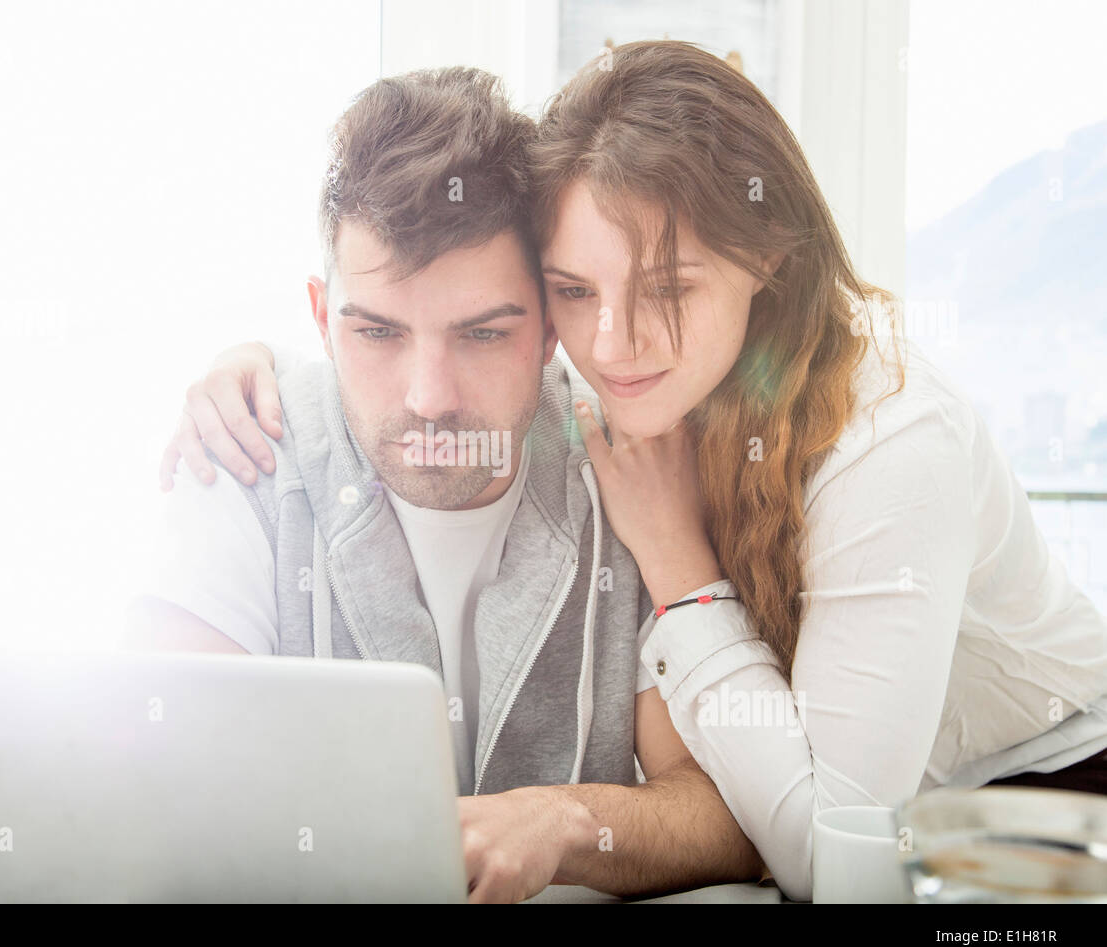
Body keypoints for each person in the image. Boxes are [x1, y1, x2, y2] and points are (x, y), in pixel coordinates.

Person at [161, 41, 1107, 902]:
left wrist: (676, 562)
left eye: (668, 287)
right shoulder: (646, 389)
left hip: (1040, 799)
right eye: (576, 291)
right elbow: (423, 317)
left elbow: (830, 852)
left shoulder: (889, 442)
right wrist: (271, 369)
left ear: (768, 259)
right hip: (868, 820)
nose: (612, 342)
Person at [125, 65, 765, 903]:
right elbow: (153, 800)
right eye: (379, 333)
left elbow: (725, 815)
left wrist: (563, 820)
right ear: (322, 318)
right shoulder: (239, 460)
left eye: (483, 334)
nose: (429, 398)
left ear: (549, 330)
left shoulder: (631, 473)